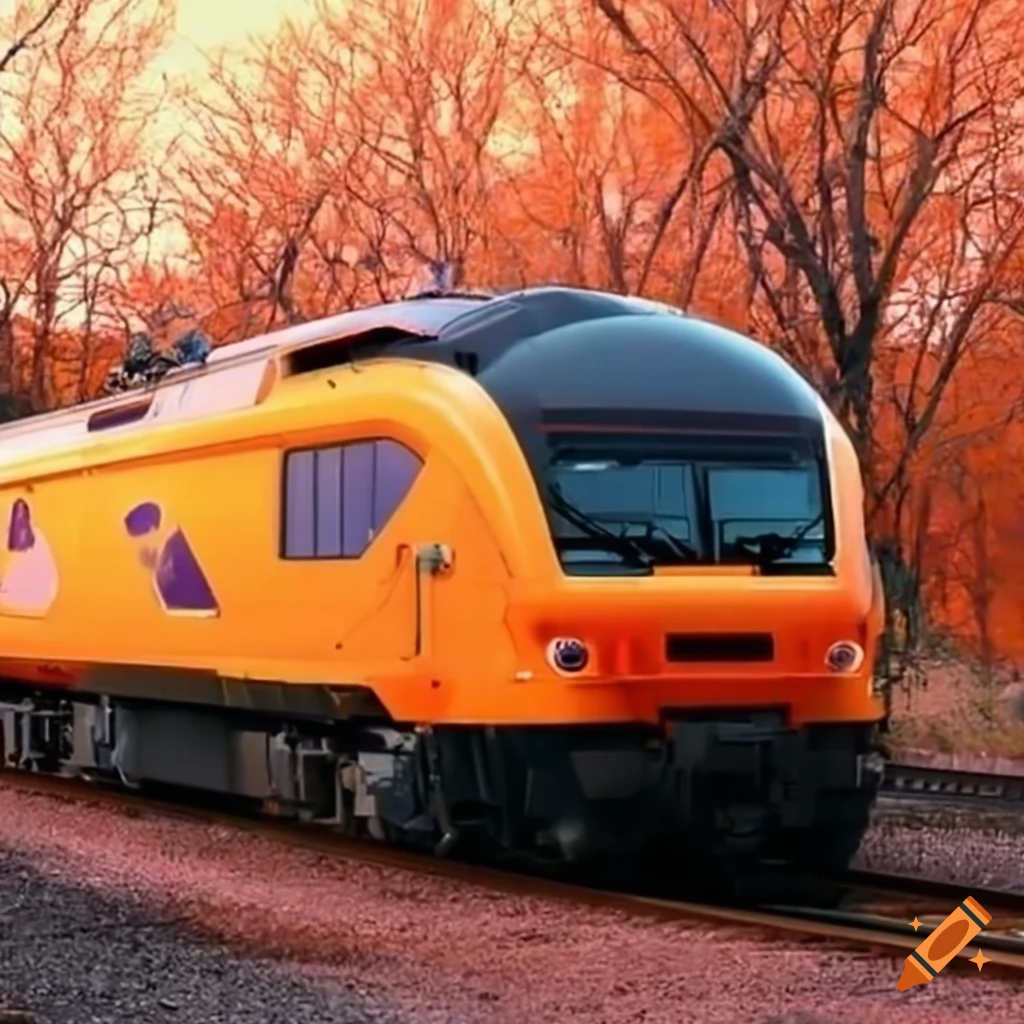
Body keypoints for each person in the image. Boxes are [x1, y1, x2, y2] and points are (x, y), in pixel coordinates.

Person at [123, 501, 219, 616]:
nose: (140, 550)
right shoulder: (165, 558)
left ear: (151, 529)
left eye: (140, 539)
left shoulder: (177, 549)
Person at [0, 499, 59, 617]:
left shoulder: (37, 541)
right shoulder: (37, 537)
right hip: (41, 602)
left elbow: (18, 579)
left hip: (30, 600)